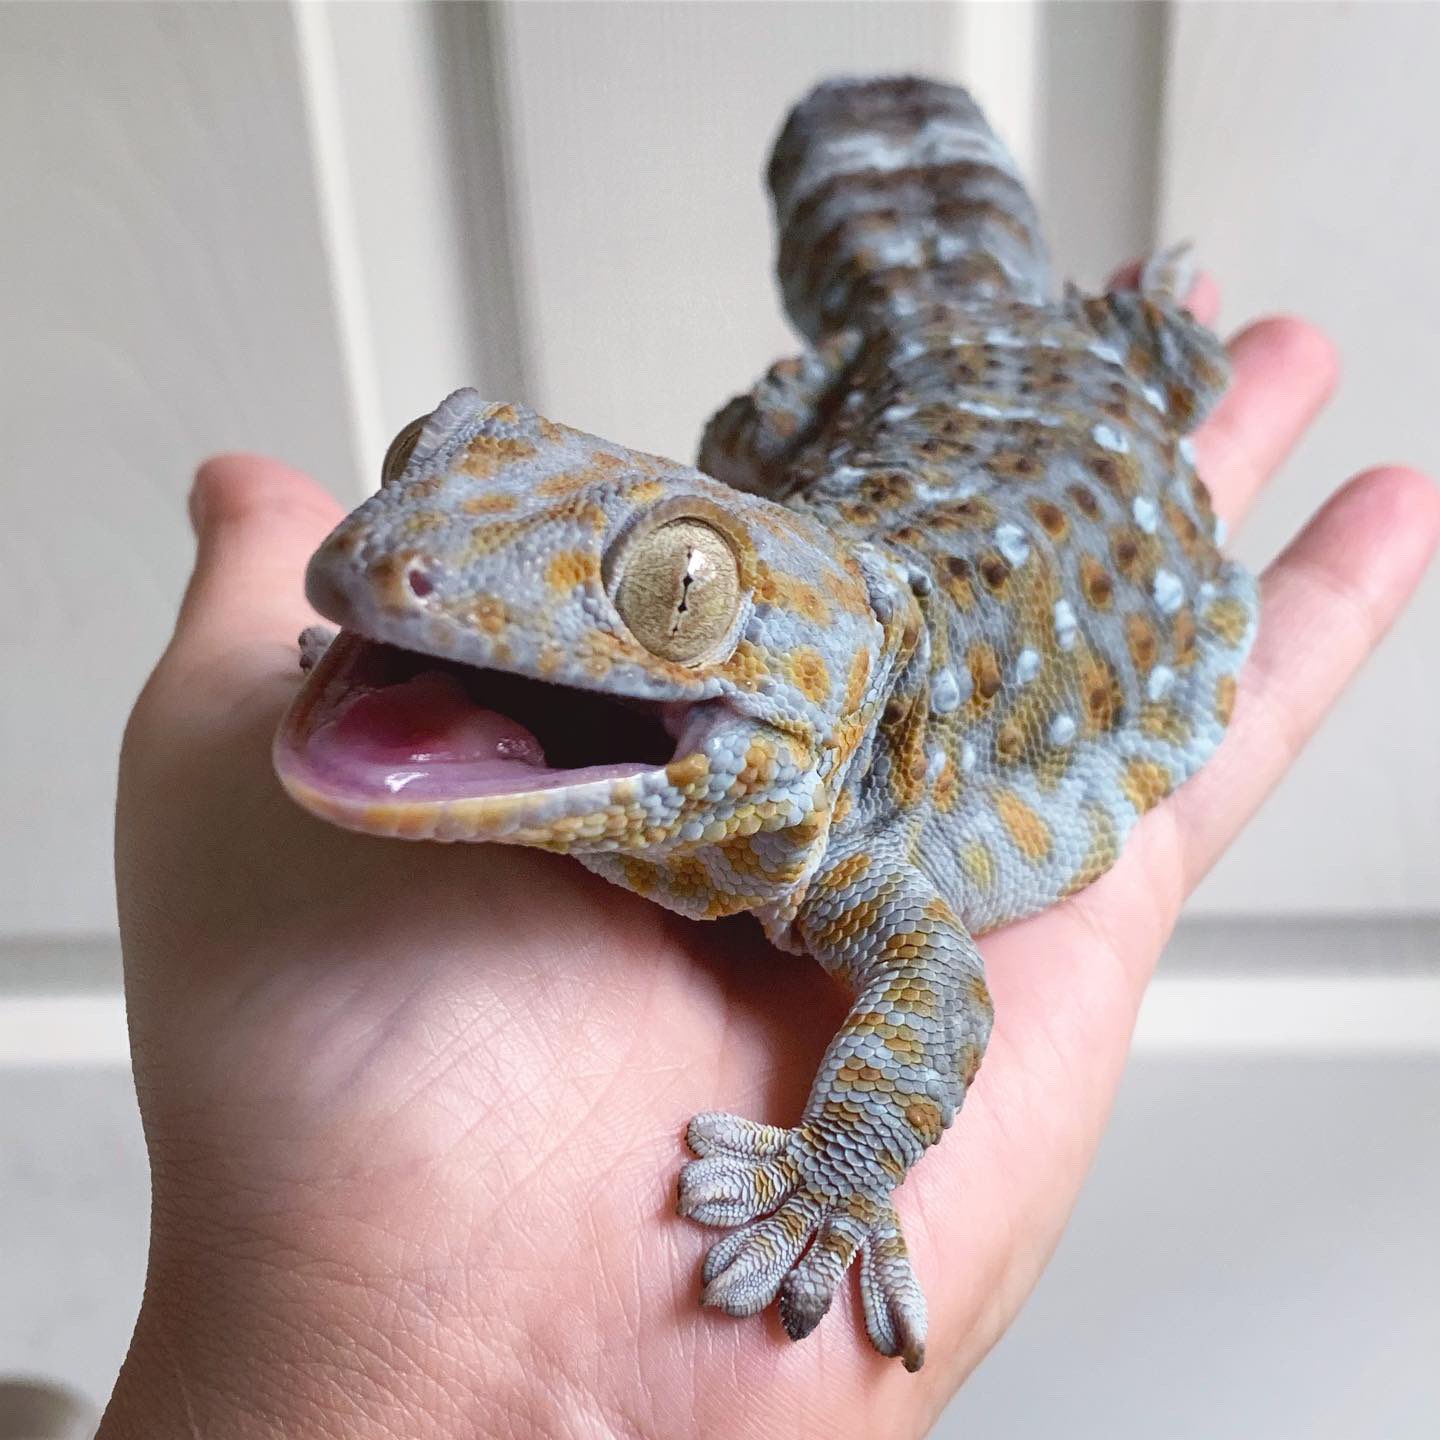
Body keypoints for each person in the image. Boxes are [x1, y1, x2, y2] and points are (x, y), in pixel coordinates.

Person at [100, 277, 1438, 1438]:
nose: (392, 558)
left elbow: (937, 988)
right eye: (426, 462)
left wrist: (836, 1176)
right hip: (929, 401)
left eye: (678, 598)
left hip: (1058, 413)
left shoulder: (849, 835)